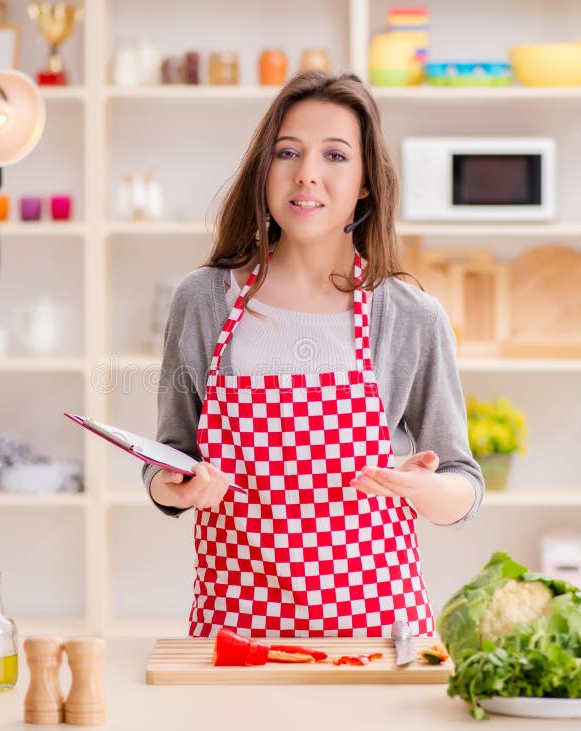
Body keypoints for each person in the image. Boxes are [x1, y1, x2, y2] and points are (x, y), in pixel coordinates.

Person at [142, 70, 484, 639]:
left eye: (335, 155)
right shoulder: (202, 299)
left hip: (377, 633)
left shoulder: (410, 317)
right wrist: (175, 486)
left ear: (367, 182)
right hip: (236, 629)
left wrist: (421, 489)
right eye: (288, 152)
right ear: (264, 169)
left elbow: (463, 486)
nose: (308, 174)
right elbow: (166, 455)